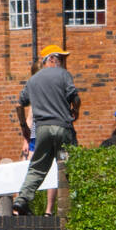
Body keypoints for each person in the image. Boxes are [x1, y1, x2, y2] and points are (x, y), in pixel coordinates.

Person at [13, 45, 80, 215]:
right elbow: (75, 97)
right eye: (61, 59)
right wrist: (76, 110)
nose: (63, 63)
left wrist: (24, 127)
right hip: (63, 127)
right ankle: (75, 205)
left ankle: (21, 200)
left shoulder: (33, 80)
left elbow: (19, 105)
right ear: (50, 59)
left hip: (42, 129)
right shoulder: (63, 74)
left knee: (38, 167)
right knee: (69, 164)